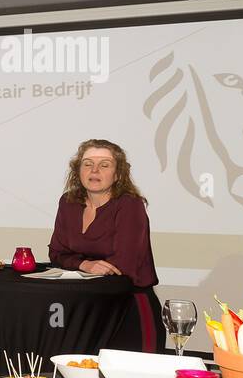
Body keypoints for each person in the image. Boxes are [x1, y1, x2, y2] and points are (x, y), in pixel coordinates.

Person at [48, 138, 167, 353]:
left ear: (118, 174)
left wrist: (75, 264)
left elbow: (122, 266)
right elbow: (56, 253)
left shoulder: (130, 205)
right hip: (85, 308)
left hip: (128, 310)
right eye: (87, 164)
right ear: (78, 171)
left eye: (104, 164)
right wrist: (85, 265)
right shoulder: (68, 202)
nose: (95, 170)